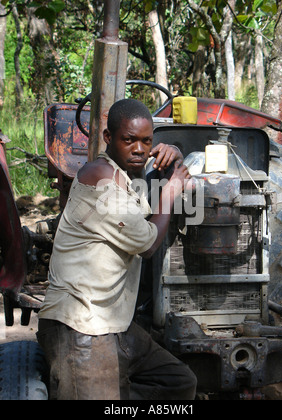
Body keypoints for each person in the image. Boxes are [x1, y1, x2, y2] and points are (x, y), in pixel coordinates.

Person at [37, 98, 197, 400]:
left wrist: (172, 157)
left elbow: (150, 195)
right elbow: (148, 244)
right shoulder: (101, 180)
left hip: (114, 322)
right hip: (81, 325)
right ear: (108, 138)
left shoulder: (124, 177)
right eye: (129, 140)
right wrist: (172, 190)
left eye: (146, 141)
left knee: (179, 383)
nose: (139, 149)